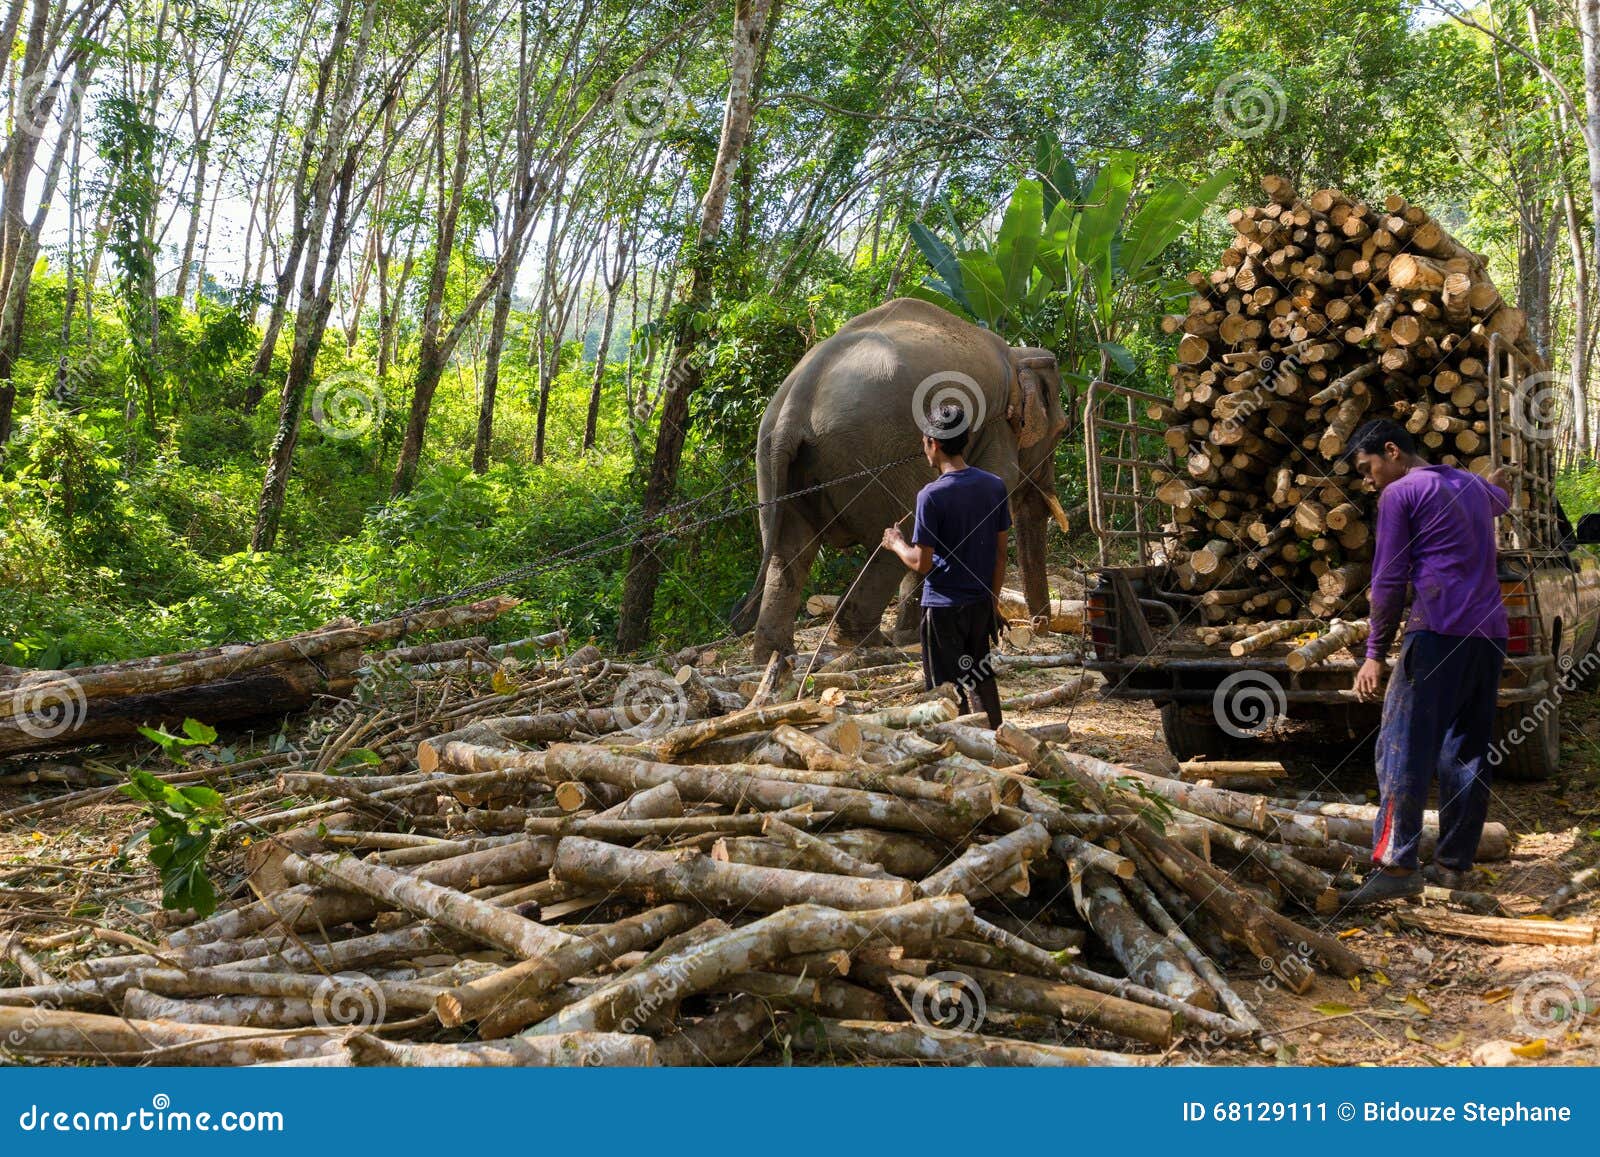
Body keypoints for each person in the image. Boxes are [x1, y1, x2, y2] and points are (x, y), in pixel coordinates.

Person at [1341, 418, 1511, 906]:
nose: (1367, 479)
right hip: (1489, 635)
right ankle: (1453, 867)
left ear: (1392, 451)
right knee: (1467, 749)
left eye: (1368, 467)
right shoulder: (1469, 486)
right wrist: (1500, 485)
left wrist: (1374, 654)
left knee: (1401, 746)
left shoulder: (1399, 495)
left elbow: (1389, 581)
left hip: (1437, 630)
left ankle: (1396, 867)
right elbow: (1501, 500)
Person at [881, 403, 1010, 727]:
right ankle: (997, 740)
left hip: (942, 609)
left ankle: (962, 748)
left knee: (945, 689)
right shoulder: (994, 485)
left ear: (932, 443)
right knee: (980, 675)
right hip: (980, 603)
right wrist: (991, 603)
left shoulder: (931, 496)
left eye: (924, 441)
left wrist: (896, 542)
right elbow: (1001, 553)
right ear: (964, 439)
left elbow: (921, 563)